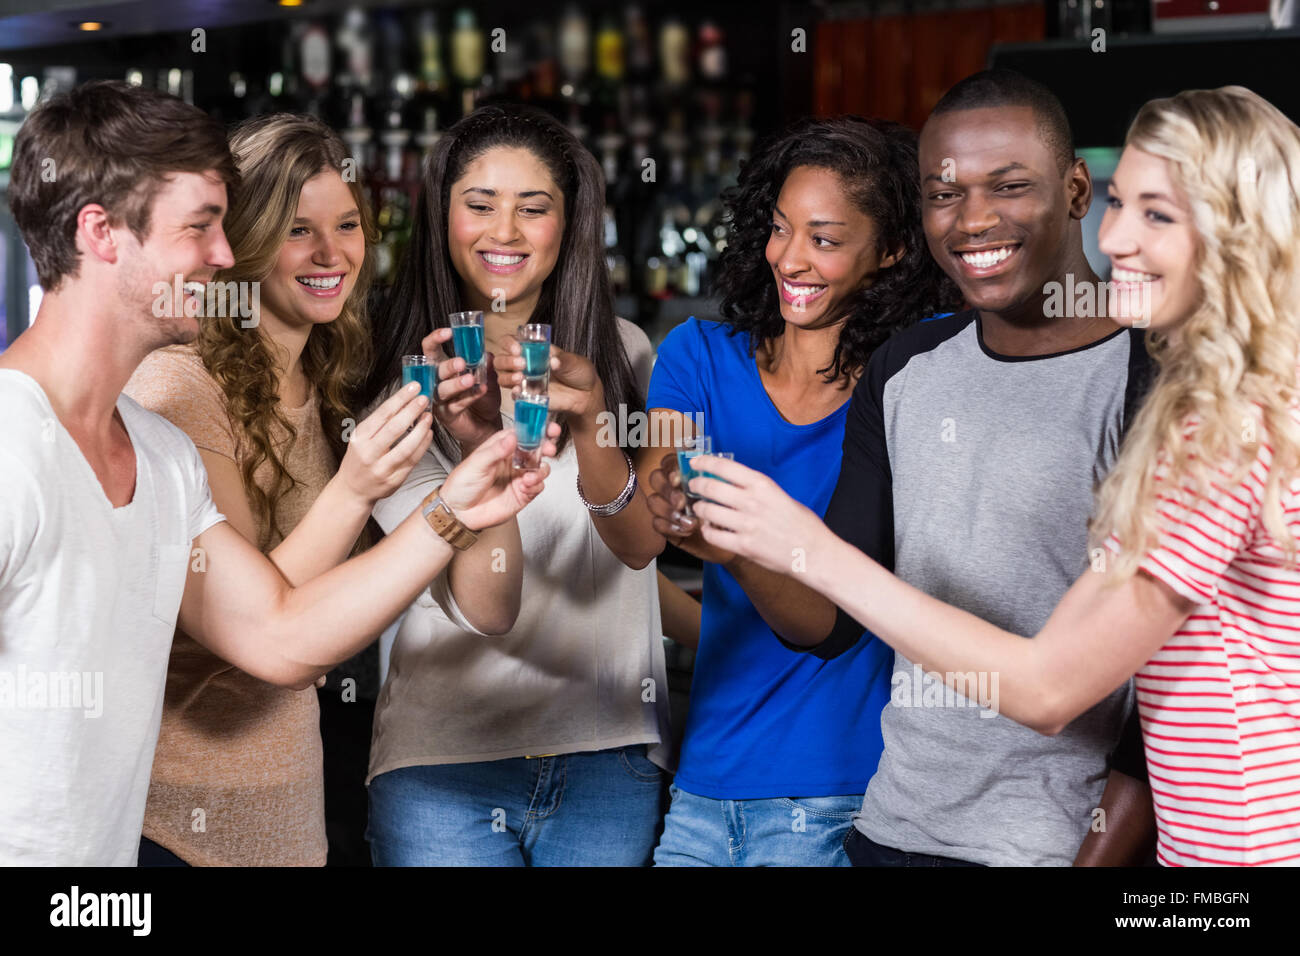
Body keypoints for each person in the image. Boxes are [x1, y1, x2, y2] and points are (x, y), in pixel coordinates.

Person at [687, 84, 1300, 867]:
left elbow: (1049, 689)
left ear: (1241, 234)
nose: (1117, 240)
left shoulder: (1226, 426)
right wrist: (764, 546)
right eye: (1124, 205)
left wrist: (809, 547)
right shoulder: (1232, 407)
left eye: (1159, 214)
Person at [0, 81, 556, 866]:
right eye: (200, 228)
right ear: (100, 233)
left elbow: (277, 636)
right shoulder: (15, 445)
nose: (224, 255)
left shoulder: (159, 454)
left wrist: (461, 495)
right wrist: (363, 488)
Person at [631, 116, 961, 865]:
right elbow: (653, 515)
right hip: (705, 781)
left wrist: (731, 543)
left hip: (849, 787)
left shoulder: (918, 375)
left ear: (893, 250)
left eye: (825, 238)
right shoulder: (697, 355)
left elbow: (825, 618)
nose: (791, 258)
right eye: (780, 229)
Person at [356, 103, 674, 866]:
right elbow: (485, 606)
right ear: (442, 218)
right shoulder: (400, 385)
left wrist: (596, 413)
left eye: (534, 208)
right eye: (479, 205)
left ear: (570, 226)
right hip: (442, 763)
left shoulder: (629, 355)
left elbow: (639, 547)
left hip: (611, 752)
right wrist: (478, 452)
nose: (505, 232)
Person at [123, 113, 430, 865]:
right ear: (244, 242)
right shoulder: (180, 386)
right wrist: (356, 489)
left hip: (290, 816)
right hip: (174, 822)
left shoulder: (329, 379)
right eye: (298, 229)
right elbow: (252, 628)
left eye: (348, 225)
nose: (332, 253)